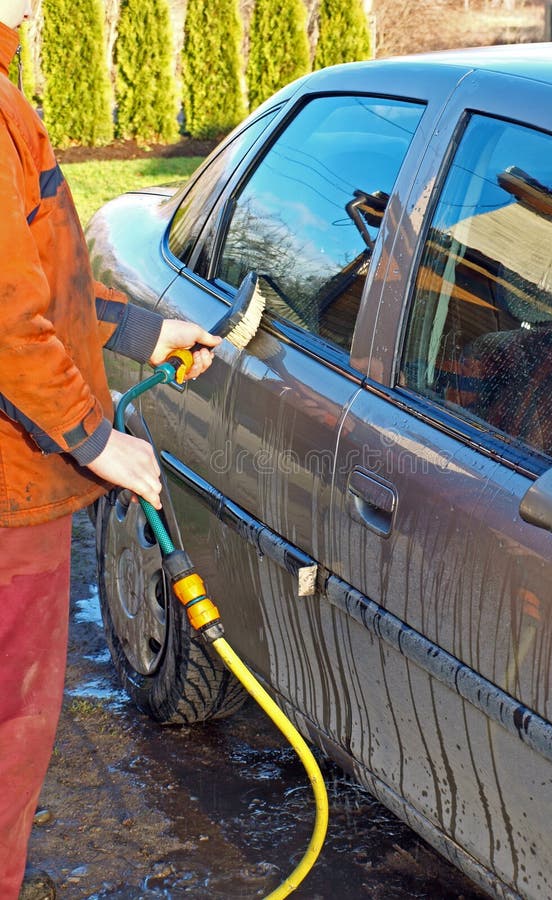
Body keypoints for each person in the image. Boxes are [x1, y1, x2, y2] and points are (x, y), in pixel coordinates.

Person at [0, 3, 221, 897]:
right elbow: (8, 324)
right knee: (10, 734)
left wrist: (140, 326)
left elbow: (35, 289)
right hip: (10, 498)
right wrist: (96, 441)